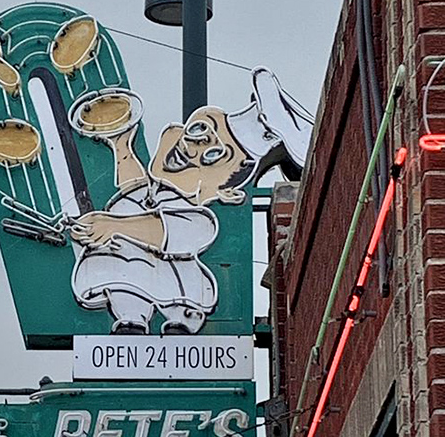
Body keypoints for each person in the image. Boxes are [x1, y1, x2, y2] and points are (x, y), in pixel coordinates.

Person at [70, 67, 313, 334]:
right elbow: (133, 188)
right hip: (122, 270)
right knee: (125, 292)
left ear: (226, 194)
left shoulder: (200, 220)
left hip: (177, 288)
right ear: (174, 131)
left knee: (177, 299)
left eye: (212, 156)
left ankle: (179, 328)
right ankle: (131, 321)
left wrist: (114, 226)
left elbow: (167, 230)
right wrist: (122, 147)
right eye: (199, 130)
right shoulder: (151, 191)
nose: (191, 148)